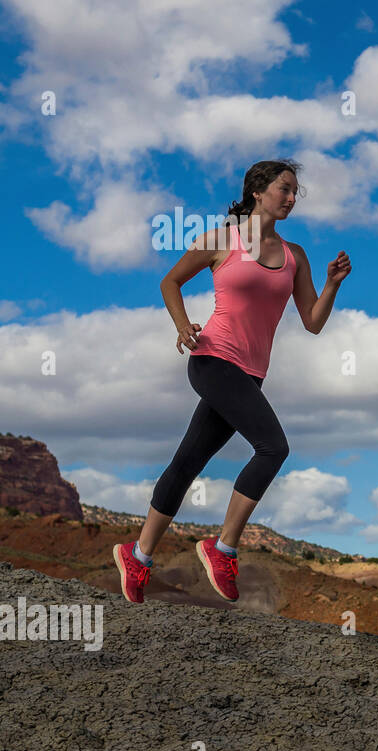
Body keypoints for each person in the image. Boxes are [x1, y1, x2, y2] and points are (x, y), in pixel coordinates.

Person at [112, 159, 351, 603]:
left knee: (188, 462)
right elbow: (171, 281)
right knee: (274, 448)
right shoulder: (223, 240)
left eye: (297, 191)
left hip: (251, 374)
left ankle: (138, 554)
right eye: (285, 188)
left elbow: (313, 322)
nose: (292, 197)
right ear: (257, 191)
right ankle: (222, 548)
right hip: (212, 360)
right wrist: (182, 326)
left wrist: (334, 285)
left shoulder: (295, 256)